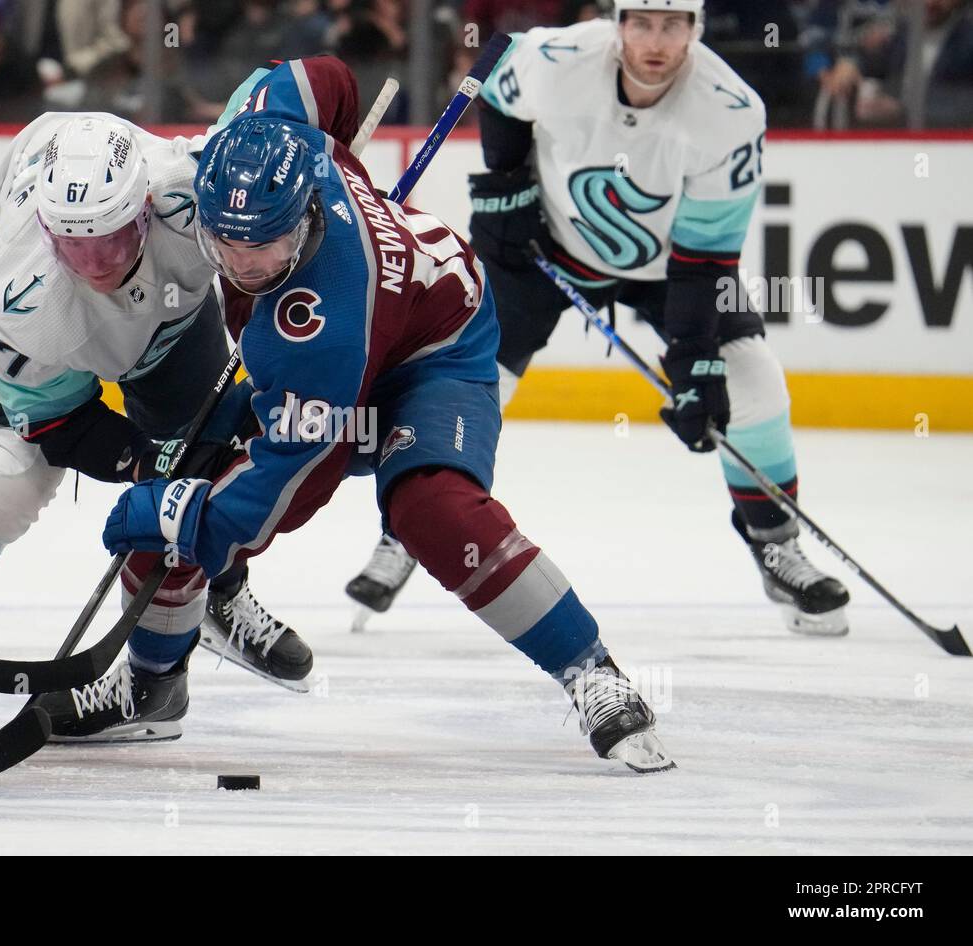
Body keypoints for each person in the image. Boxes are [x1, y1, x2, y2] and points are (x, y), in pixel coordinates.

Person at [100, 55, 676, 774]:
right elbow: (324, 77)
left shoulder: (321, 327)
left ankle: (593, 672)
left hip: (434, 348)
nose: (245, 268)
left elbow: (285, 484)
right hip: (362, 327)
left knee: (427, 505)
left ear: (307, 215)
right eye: (229, 246)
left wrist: (190, 525)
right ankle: (152, 689)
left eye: (266, 247)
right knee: (191, 464)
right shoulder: (252, 154)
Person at [348, 0, 852, 637]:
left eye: (673, 25)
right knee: (464, 381)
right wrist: (507, 182)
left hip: (672, 269)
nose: (656, 42)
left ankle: (775, 540)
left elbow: (704, 260)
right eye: (641, 22)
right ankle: (409, 528)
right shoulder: (562, 59)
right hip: (543, 249)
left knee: (752, 380)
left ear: (696, 29)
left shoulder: (730, 110)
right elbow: (498, 75)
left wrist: (696, 364)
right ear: (617, 23)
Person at [0, 113, 315, 756]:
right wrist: (146, 463)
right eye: (75, 244)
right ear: (45, 225)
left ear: (145, 206)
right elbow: (60, 425)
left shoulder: (191, 187)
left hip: (166, 308)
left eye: (112, 239)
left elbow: (283, 145)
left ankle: (219, 595)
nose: (96, 265)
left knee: (195, 468)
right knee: (5, 481)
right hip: (25, 306)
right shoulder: (10, 297)